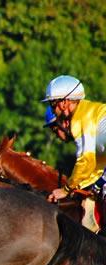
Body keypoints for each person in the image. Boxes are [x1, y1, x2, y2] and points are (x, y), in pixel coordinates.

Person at [42, 75, 106, 235]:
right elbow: (98, 163)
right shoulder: (90, 112)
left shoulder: (80, 119)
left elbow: (87, 161)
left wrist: (66, 190)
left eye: (52, 104)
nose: (53, 110)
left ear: (64, 103)